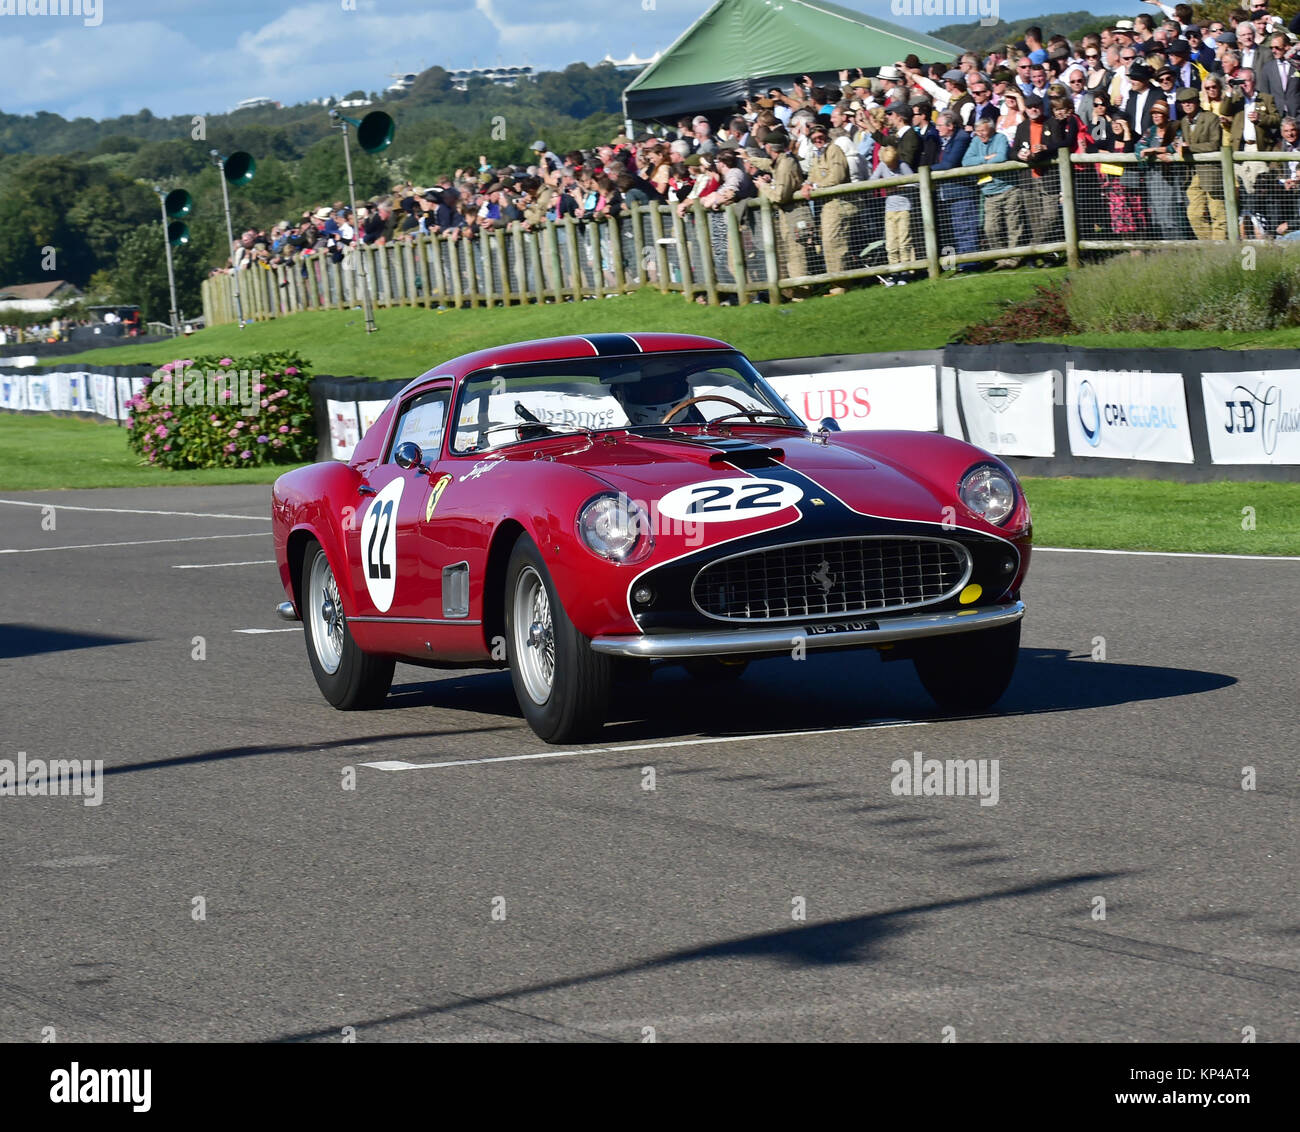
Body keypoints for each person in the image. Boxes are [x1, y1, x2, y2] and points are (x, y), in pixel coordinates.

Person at [962, 115, 1025, 269]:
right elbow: (966, 161)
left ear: (991, 129)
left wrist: (983, 160)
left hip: (1008, 189)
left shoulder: (1000, 138)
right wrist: (986, 158)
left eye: (983, 131)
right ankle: (1000, 259)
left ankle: (1013, 259)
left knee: (1014, 226)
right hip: (989, 192)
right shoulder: (975, 141)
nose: (980, 134)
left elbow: (1002, 157)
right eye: (977, 131)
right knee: (990, 228)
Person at [757, 131, 813, 282]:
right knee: (790, 253)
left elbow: (780, 196)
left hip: (794, 214)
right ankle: (797, 290)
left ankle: (802, 291)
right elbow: (767, 165)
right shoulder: (781, 161)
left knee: (796, 253)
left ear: (769, 147)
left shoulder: (786, 164)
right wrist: (748, 158)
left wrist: (764, 187)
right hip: (787, 214)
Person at [802, 122, 854, 276]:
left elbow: (837, 176)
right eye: (814, 139)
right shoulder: (816, 154)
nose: (818, 140)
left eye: (820, 137)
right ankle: (834, 281)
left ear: (826, 135)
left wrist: (816, 186)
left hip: (839, 204)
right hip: (825, 206)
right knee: (827, 243)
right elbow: (812, 175)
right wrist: (807, 185)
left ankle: (840, 283)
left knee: (834, 243)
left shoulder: (834, 150)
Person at [1177, 87, 1228, 239]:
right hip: (1193, 174)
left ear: (1197, 102)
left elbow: (1214, 144)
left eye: (1190, 102)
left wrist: (1190, 148)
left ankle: (1221, 252)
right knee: (1194, 214)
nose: (1187, 105)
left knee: (1218, 214)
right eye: (1184, 103)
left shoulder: (1211, 118)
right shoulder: (1184, 122)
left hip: (1211, 172)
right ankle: (1210, 248)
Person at [1135, 100, 1190, 238]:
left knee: (1174, 213)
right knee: (1158, 214)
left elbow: (1177, 146)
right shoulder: (1150, 131)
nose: (1156, 116)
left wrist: (1154, 149)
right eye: (1154, 114)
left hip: (1171, 180)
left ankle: (1179, 245)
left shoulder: (1174, 128)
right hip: (1154, 180)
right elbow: (1139, 149)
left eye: (1159, 113)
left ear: (1166, 115)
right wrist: (1158, 154)